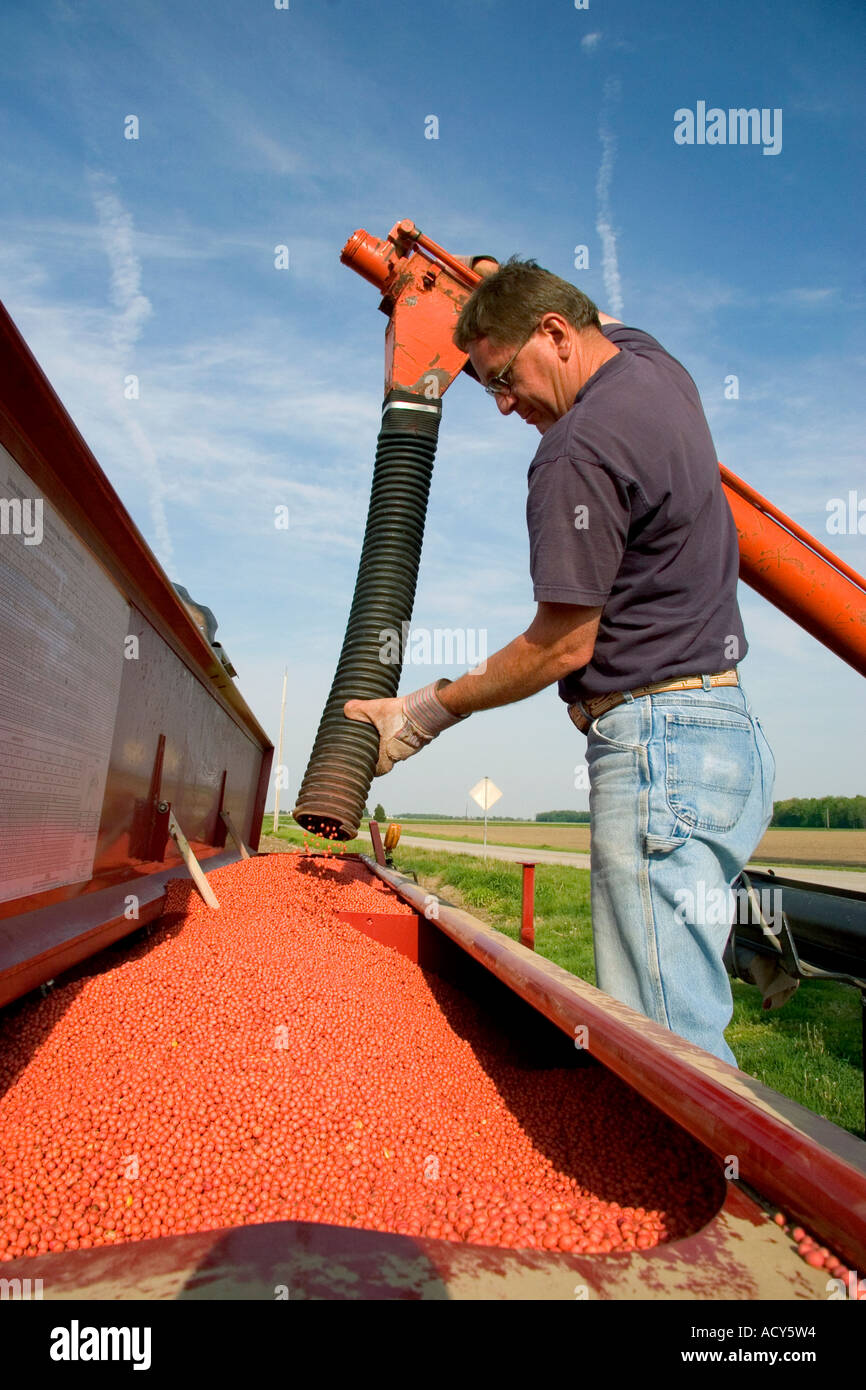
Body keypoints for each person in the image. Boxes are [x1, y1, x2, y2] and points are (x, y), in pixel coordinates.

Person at [344, 257, 775, 1066]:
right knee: (677, 1008)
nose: (504, 405)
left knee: (667, 1047)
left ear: (553, 334)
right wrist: (490, 277)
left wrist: (425, 711)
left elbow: (564, 643)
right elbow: (600, 318)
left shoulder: (574, 453)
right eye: (485, 386)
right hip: (726, 734)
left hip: (658, 750)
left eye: (504, 378)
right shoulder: (655, 370)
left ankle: (725, 1190)